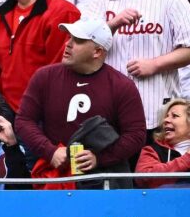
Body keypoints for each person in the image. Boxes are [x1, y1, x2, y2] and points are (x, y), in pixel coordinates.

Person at [15, 14, 147, 177]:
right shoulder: (44, 77)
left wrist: (99, 158)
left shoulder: (121, 86)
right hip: (55, 176)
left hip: (101, 178)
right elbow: (23, 120)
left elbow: (136, 135)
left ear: (97, 51)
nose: (67, 44)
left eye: (77, 40)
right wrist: (50, 151)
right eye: (69, 38)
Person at [86, 0, 190, 131]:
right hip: (108, 116)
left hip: (158, 114)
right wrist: (112, 25)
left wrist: (155, 64)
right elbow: (81, 46)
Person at [135, 96, 190, 184]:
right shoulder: (152, 150)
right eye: (166, 116)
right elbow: (144, 178)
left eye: (174, 116)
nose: (166, 120)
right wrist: (186, 159)